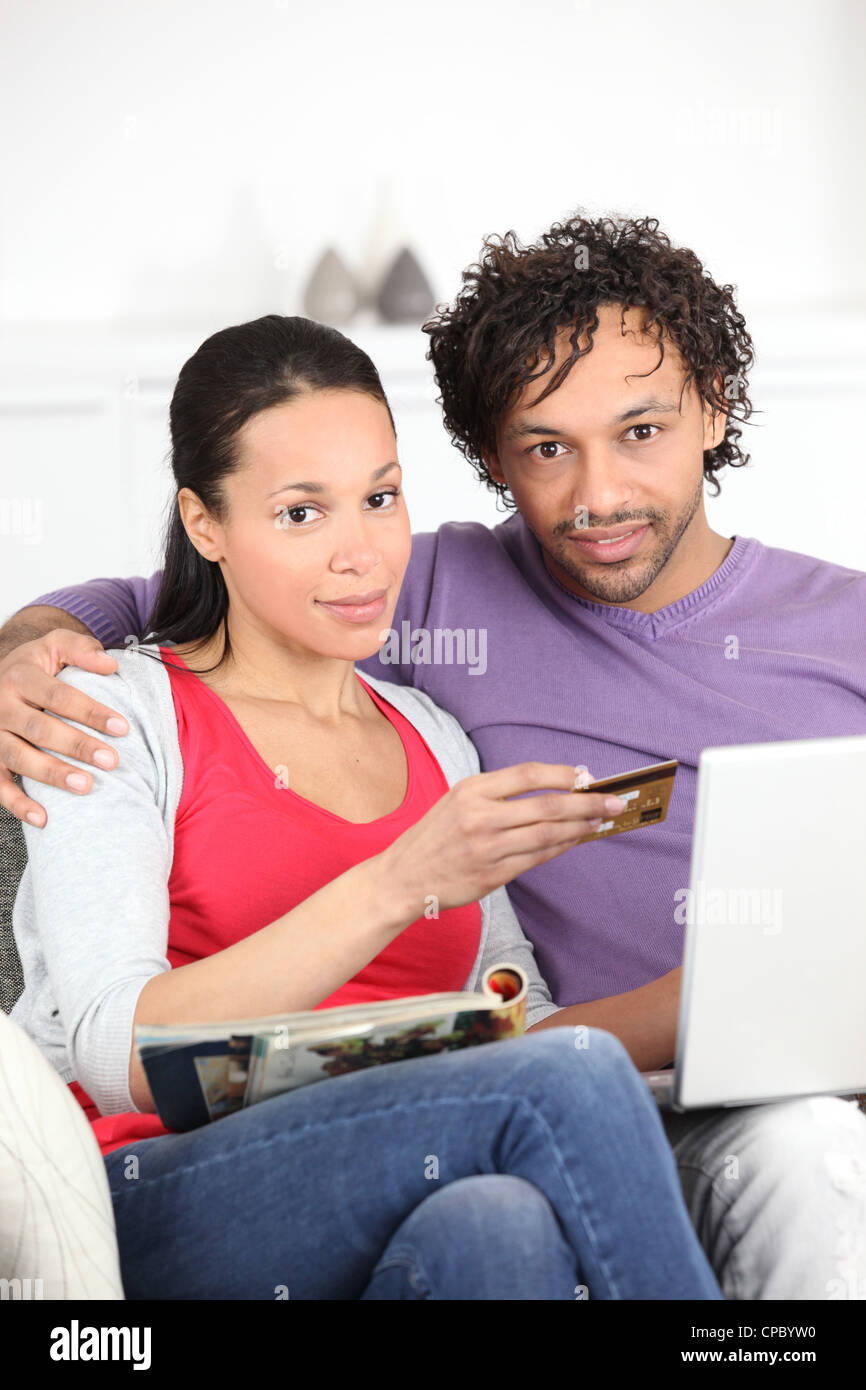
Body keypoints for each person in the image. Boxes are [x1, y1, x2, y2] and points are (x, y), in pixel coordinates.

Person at [2, 214, 865, 1299]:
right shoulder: (125, 703)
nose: (358, 548)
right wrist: (25, 644)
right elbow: (110, 1043)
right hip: (164, 1178)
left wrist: (774, 1002)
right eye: (300, 510)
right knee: (565, 1083)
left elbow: (517, 1021)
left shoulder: (430, 730)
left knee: (497, 1225)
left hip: (454, 1147)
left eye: (379, 496)